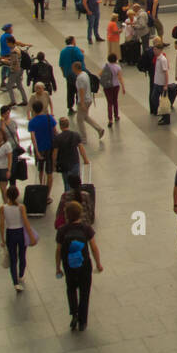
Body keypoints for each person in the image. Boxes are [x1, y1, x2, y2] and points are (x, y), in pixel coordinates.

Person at [55, 200, 101, 331]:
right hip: (84, 264)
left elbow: (58, 250)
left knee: (71, 288)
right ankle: (82, 321)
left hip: (68, 264)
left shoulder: (62, 230)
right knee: (84, 292)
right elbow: (93, 247)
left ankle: (73, 313)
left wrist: (58, 267)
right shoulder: (86, 228)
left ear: (67, 215)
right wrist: (98, 264)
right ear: (80, 214)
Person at [0, 184, 36, 292]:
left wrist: (2, 239)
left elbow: (2, 225)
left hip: (10, 233)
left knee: (13, 258)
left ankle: (15, 283)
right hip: (21, 233)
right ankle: (21, 275)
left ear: (7, 195)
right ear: (17, 195)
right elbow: (26, 223)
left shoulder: (3, 208)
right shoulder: (21, 207)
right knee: (22, 255)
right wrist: (32, 237)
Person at [27, 101, 58, 197]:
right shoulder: (49, 118)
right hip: (50, 147)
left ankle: (42, 189)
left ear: (33, 110)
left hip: (40, 149)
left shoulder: (32, 122)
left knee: (41, 170)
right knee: (49, 172)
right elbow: (55, 132)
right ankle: (47, 195)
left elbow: (33, 138)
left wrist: (36, 151)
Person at [71, 60, 105, 144]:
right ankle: (99, 129)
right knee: (85, 117)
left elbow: (81, 90)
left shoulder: (79, 78)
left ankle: (83, 138)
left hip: (84, 100)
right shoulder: (84, 74)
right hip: (89, 98)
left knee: (79, 120)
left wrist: (82, 103)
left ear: (75, 68)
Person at [52, 117, 88, 193]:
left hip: (64, 165)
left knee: (66, 183)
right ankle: (77, 198)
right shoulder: (75, 135)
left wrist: (54, 164)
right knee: (76, 183)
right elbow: (81, 149)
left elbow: (55, 153)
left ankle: (68, 199)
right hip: (75, 162)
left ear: (60, 126)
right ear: (68, 125)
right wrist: (85, 159)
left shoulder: (58, 138)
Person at [58, 36, 84, 115]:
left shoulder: (63, 51)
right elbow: (81, 58)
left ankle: (70, 108)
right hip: (77, 73)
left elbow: (61, 64)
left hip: (68, 74)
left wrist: (64, 73)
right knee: (78, 91)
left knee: (70, 91)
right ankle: (79, 106)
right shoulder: (76, 49)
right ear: (72, 41)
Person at [99, 53, 125, 126]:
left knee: (109, 103)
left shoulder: (105, 66)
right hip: (116, 85)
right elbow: (120, 77)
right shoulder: (118, 67)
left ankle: (110, 119)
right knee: (115, 101)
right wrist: (123, 87)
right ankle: (116, 116)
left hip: (107, 87)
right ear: (116, 59)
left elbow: (100, 74)